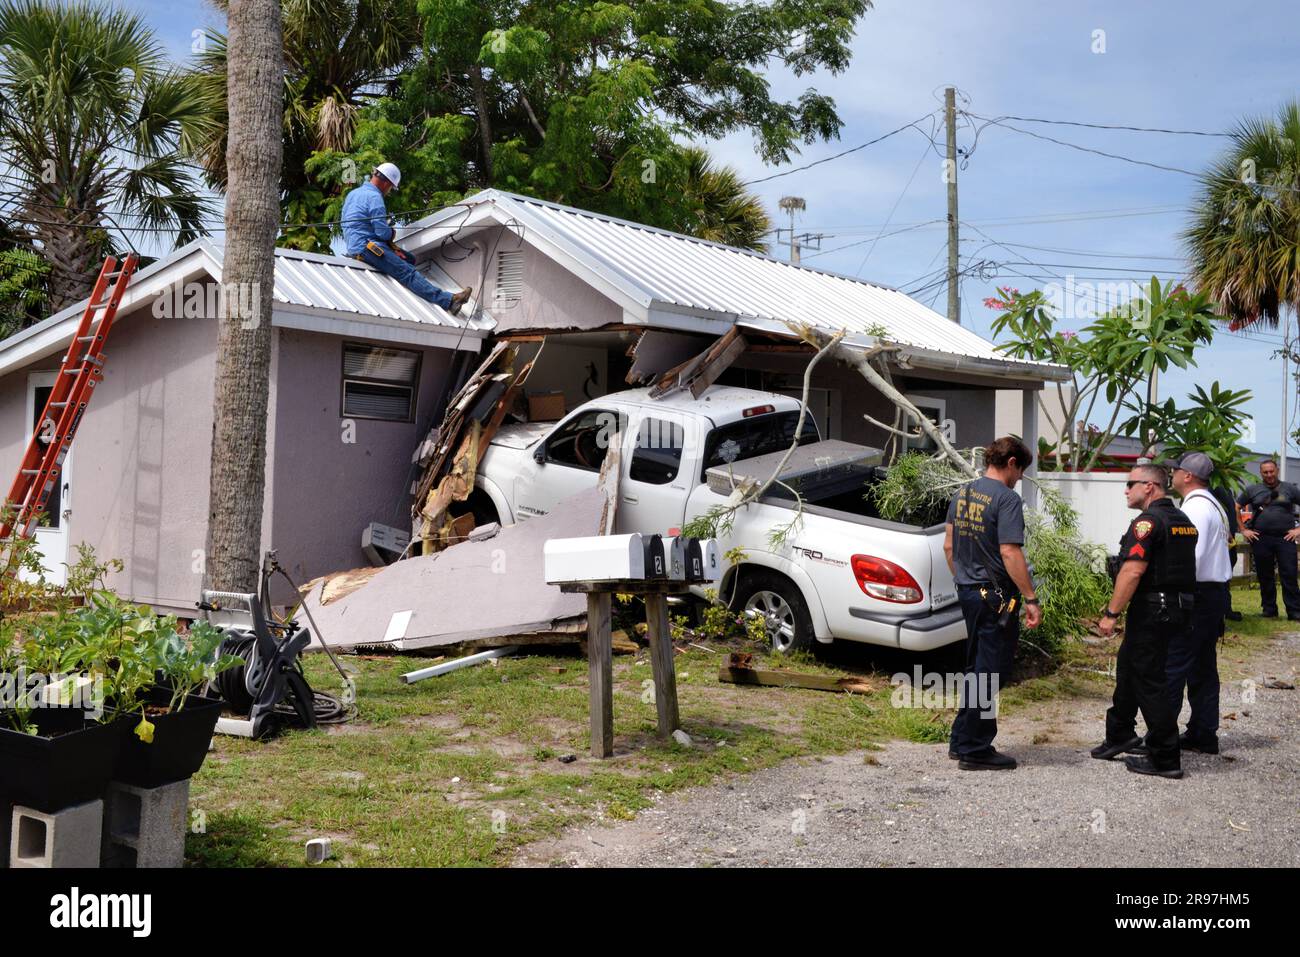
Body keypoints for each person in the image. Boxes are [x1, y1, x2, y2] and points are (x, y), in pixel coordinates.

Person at [943, 436, 1042, 771]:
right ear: (1011, 462)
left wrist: (964, 581)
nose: (1020, 478)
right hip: (996, 597)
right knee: (990, 671)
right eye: (1021, 471)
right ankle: (975, 747)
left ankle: (961, 739)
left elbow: (948, 546)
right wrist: (1030, 597)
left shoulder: (962, 493)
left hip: (969, 592)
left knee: (975, 666)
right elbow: (1010, 552)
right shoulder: (1007, 499)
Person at [1092, 464, 1197, 779]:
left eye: (1130, 484)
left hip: (1152, 612)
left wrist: (1111, 614)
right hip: (1176, 611)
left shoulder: (1148, 522)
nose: (1126, 490)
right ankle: (1119, 734)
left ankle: (1165, 757)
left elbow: (1133, 570)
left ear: (1150, 486)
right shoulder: (1183, 520)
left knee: (1150, 681)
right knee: (1129, 667)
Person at [340, 162, 472, 314]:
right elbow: (382, 233)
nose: (389, 191)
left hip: (357, 245)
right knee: (407, 272)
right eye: (390, 188)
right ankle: (449, 301)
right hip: (367, 247)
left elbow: (347, 223)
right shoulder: (375, 197)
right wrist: (391, 233)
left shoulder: (353, 194)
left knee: (409, 259)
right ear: (386, 183)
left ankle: (431, 290)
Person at [1163, 453, 1230, 754]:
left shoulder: (1195, 509)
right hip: (1213, 594)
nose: (1172, 474)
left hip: (1198, 594)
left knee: (1174, 665)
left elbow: (1191, 557)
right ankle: (1203, 733)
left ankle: (1162, 738)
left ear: (1187, 475)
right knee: (1202, 667)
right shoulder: (1213, 504)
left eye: (1175, 470)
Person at [1237, 458, 1300, 620]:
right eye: (1265, 472)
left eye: (1271, 471)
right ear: (1261, 473)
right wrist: (1243, 530)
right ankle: (1269, 610)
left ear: (1277, 470)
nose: (1269, 475)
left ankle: (1294, 611)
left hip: (1285, 538)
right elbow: (1236, 506)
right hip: (1261, 539)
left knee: (1289, 574)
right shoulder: (1253, 490)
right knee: (1265, 575)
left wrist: (1298, 530)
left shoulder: (1289, 489)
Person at [1210, 481, 1243, 621]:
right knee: (1219, 575)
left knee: (1226, 574)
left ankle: (1226, 609)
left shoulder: (1226, 486)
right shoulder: (1213, 486)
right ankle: (1221, 610)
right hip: (1221, 537)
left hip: (1229, 536)